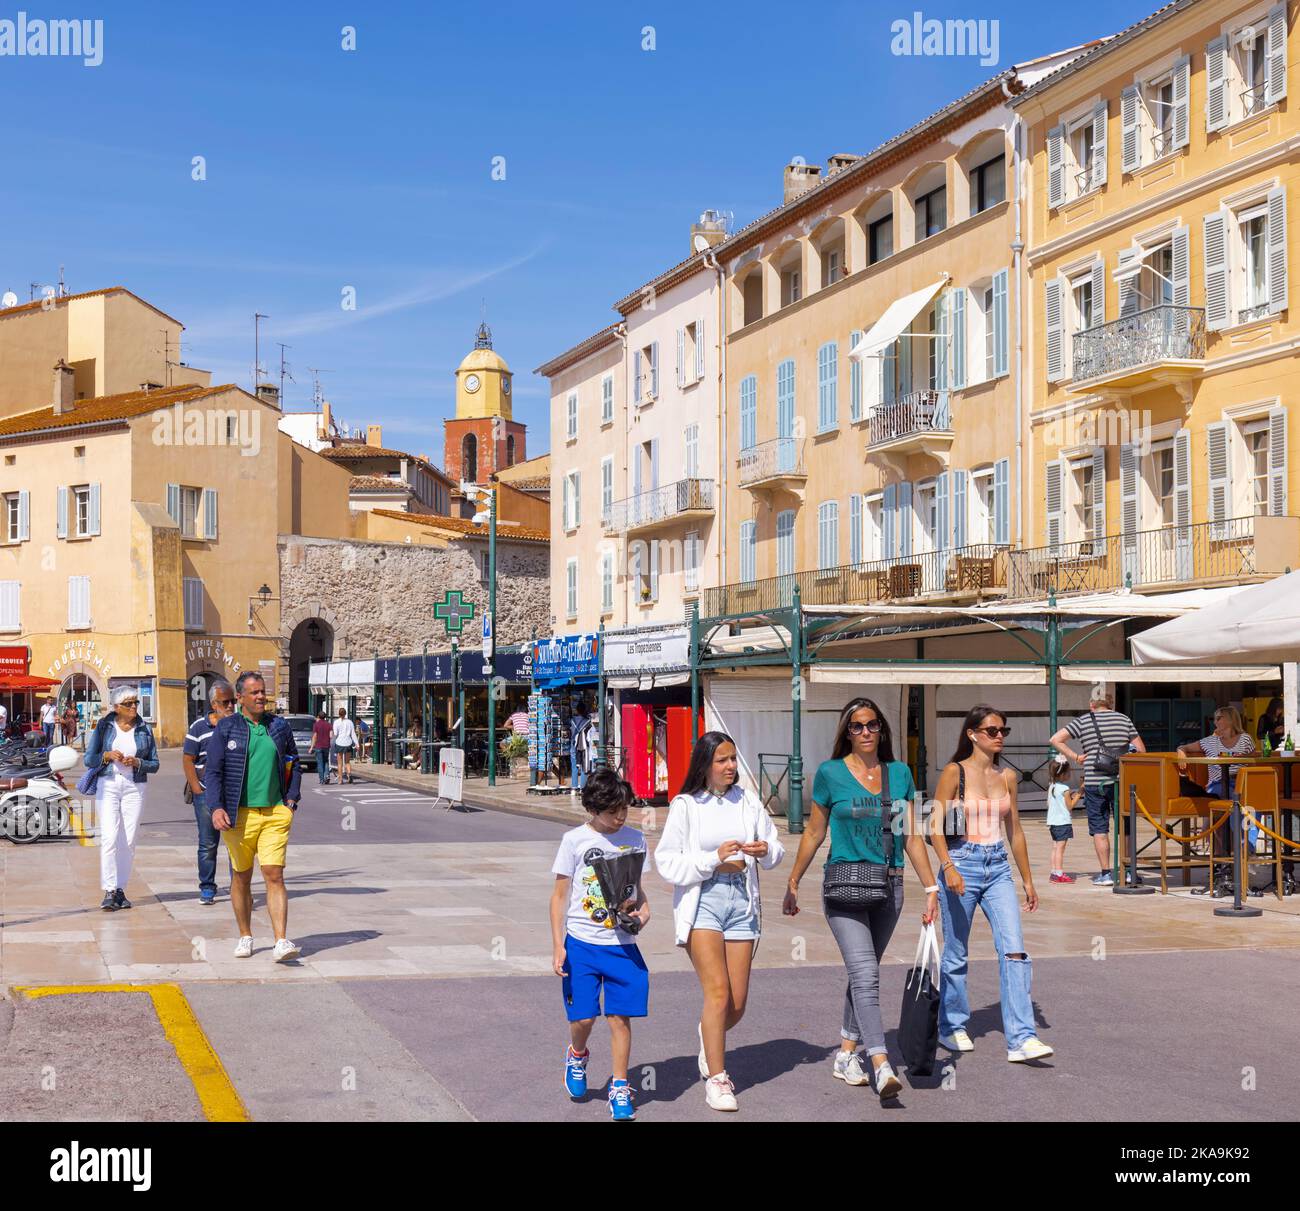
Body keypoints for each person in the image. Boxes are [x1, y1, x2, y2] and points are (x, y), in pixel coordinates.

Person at [783, 698, 939, 1101]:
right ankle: (881, 1062)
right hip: (844, 888)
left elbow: (910, 836)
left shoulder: (899, 774)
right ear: (846, 732)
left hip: (890, 887)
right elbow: (815, 833)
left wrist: (931, 888)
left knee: (862, 973)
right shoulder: (830, 774)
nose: (866, 732)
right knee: (867, 975)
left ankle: (845, 1053)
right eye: (857, 726)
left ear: (881, 730)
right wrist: (794, 880)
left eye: (872, 725)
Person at [654, 732, 785, 1113]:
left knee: (738, 1004)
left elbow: (775, 847)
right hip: (704, 901)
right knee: (718, 994)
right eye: (722, 760)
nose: (730, 767)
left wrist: (766, 850)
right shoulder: (686, 805)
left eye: (733, 759)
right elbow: (668, 862)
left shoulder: (747, 801)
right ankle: (718, 1079)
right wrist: (713, 859)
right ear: (705, 764)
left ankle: (707, 1034)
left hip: (742, 901)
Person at [931, 704, 1052, 1063]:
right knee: (956, 952)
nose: (999, 736)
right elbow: (935, 825)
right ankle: (951, 1025)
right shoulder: (955, 772)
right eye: (992, 730)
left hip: (998, 865)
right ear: (972, 734)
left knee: (1014, 950)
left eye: (1004, 731)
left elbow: (1014, 830)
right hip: (962, 864)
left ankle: (1022, 1037)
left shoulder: (1007, 777)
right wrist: (948, 866)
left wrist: (1028, 879)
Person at [550, 767, 649, 1121]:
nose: (620, 817)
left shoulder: (635, 839)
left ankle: (619, 1087)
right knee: (584, 1017)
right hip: (581, 943)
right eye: (612, 811)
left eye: (624, 808)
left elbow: (639, 893)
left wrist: (643, 913)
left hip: (621, 945)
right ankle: (577, 1054)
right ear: (593, 809)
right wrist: (557, 944)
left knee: (620, 1019)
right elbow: (559, 896)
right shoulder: (574, 841)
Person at [203, 671, 303, 962]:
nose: (261, 697)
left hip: (274, 812)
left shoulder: (279, 727)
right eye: (255, 693)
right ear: (240, 698)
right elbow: (214, 771)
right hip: (238, 815)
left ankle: (281, 940)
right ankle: (245, 935)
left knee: (274, 874)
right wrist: (217, 807)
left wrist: (291, 800)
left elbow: (294, 763)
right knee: (242, 877)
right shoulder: (227, 728)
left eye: (263, 692)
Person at [1050, 685, 1144, 886]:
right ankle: (1128, 871)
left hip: (1094, 781)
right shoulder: (1124, 719)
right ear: (1110, 703)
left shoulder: (1083, 721)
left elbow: (1055, 739)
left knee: (1100, 828)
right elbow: (1141, 750)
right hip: (1122, 781)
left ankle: (1106, 873)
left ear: (1091, 704)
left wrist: (1076, 757)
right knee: (1125, 827)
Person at [84, 686, 159, 911]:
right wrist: (106, 755)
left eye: (135, 702)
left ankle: (120, 889)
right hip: (108, 784)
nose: (134, 707)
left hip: (135, 787)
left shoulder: (144, 729)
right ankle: (108, 890)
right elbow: (89, 759)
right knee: (109, 837)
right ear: (117, 708)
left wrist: (138, 762)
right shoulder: (105, 727)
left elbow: (155, 763)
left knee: (129, 840)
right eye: (128, 704)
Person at [182, 680, 236, 904]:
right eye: (226, 702)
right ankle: (207, 887)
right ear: (214, 704)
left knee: (236, 844)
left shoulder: (238, 726)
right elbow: (187, 758)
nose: (231, 706)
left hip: (232, 793)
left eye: (233, 701)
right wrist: (195, 787)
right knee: (207, 843)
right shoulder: (199, 727)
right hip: (204, 793)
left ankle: (238, 889)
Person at [1045, 758, 1080, 884]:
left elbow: (1049, 803)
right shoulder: (1065, 788)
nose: (1070, 774)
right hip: (1063, 822)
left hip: (1053, 822)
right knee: (1060, 849)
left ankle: (1054, 872)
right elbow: (1070, 806)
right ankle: (1059, 874)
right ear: (1062, 774)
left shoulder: (1052, 786)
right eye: (1069, 772)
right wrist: (1079, 793)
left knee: (1055, 847)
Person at [332, 707, 358, 784]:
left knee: (339, 763)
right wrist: (357, 744)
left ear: (339, 714)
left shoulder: (336, 722)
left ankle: (340, 780)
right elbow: (353, 734)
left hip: (339, 742)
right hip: (348, 743)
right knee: (347, 761)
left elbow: (335, 734)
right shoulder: (350, 722)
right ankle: (349, 774)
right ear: (345, 713)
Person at [309, 710, 333, 784]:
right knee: (326, 761)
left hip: (318, 746)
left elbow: (314, 737)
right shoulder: (329, 724)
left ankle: (321, 780)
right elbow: (331, 736)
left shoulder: (316, 725)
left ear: (318, 717)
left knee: (320, 763)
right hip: (326, 746)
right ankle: (327, 776)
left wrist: (311, 747)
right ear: (325, 717)